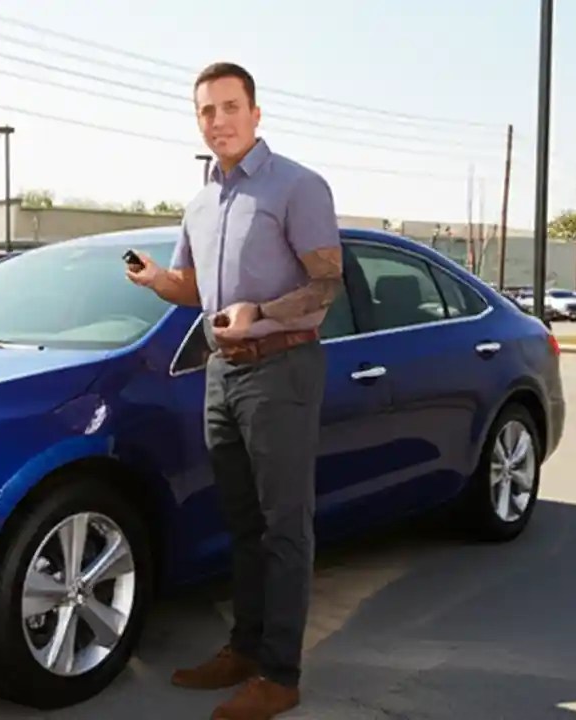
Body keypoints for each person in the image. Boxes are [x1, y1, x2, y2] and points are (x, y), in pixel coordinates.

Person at [126, 61, 344, 720]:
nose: (217, 120)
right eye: (206, 111)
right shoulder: (200, 203)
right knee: (243, 524)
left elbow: (326, 287)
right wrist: (159, 280)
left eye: (228, 107)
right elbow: (197, 290)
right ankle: (245, 649)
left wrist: (261, 313)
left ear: (255, 113)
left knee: (284, 527)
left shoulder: (298, 187)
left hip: (282, 367)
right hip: (221, 373)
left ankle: (281, 675)